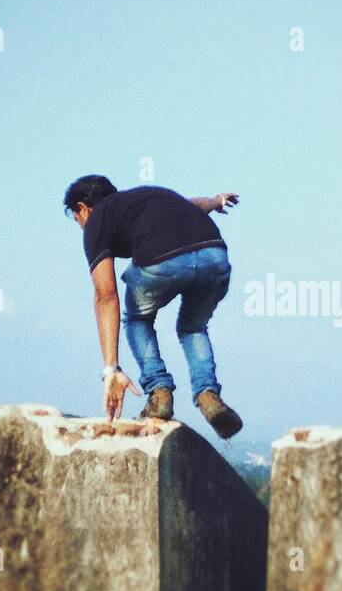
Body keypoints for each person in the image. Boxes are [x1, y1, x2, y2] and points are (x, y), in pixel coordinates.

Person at [62, 174, 244, 438]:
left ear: (82, 207)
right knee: (193, 328)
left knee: (138, 319)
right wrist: (217, 201)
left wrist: (111, 369)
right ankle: (208, 396)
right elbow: (194, 205)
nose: (78, 223)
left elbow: (105, 296)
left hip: (163, 261)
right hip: (214, 255)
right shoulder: (150, 197)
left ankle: (159, 393)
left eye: (74, 216)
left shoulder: (97, 220)